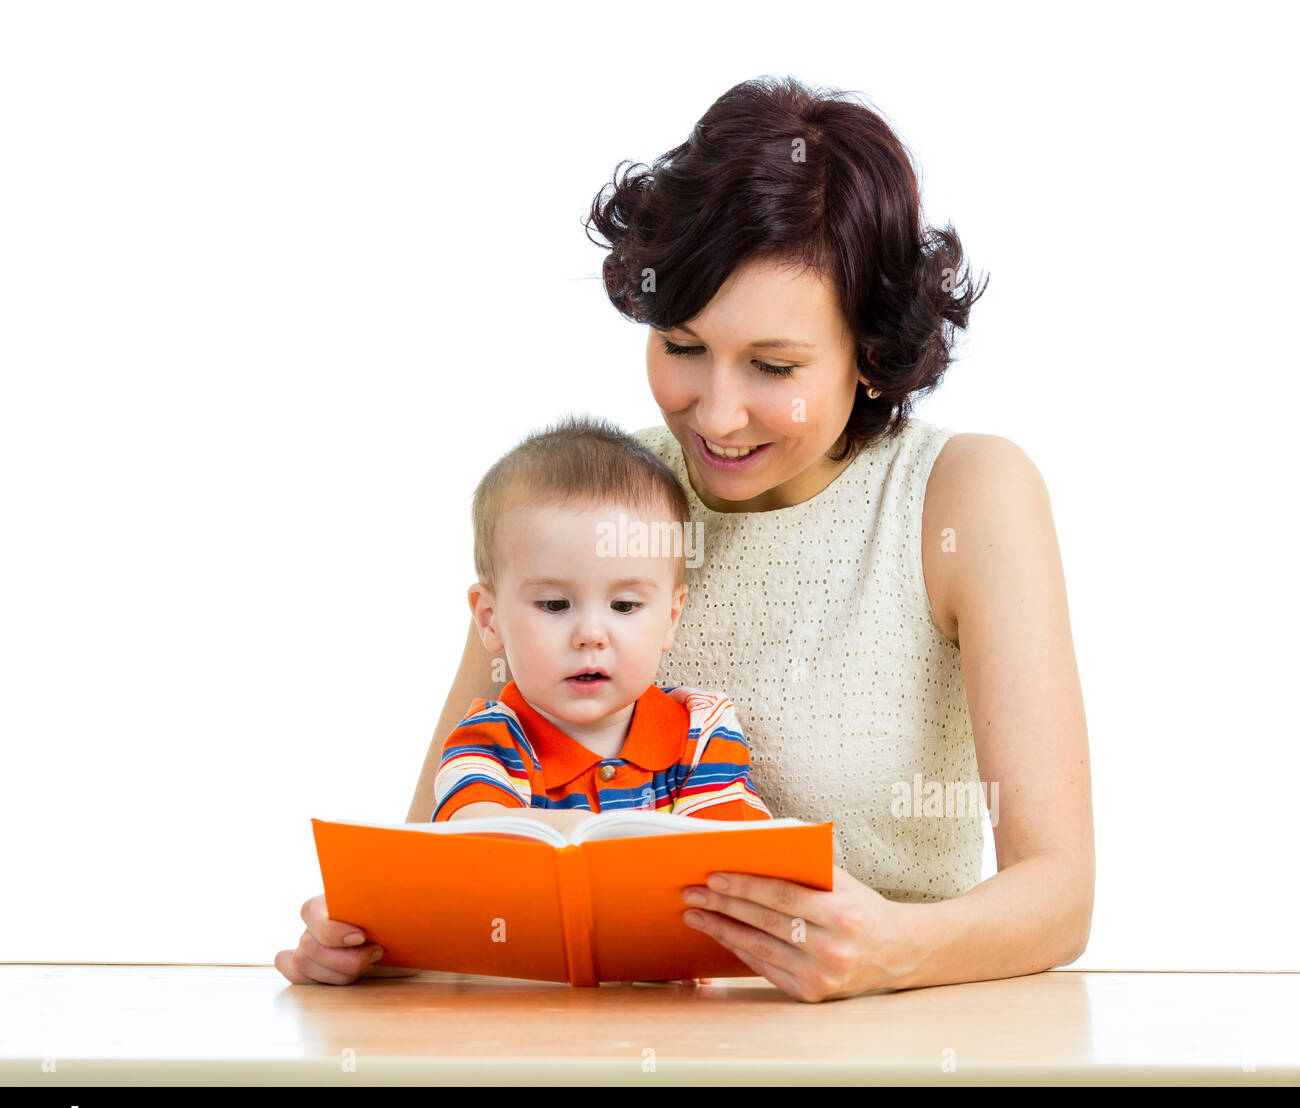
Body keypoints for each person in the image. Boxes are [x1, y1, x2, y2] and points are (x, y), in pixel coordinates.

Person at [277, 75, 1094, 1002]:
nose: (716, 411)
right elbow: (442, 859)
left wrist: (892, 950)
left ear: (872, 355)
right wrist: (364, 938)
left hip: (883, 1037)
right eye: (682, 345)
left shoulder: (964, 496)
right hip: (609, 1042)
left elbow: (1059, 896)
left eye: (773, 366)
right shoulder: (592, 498)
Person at [430, 414, 773, 829]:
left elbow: (730, 853)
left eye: (625, 606)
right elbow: (483, 837)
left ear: (670, 617)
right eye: (555, 605)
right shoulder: (487, 743)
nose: (590, 635)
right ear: (489, 619)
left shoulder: (701, 733)